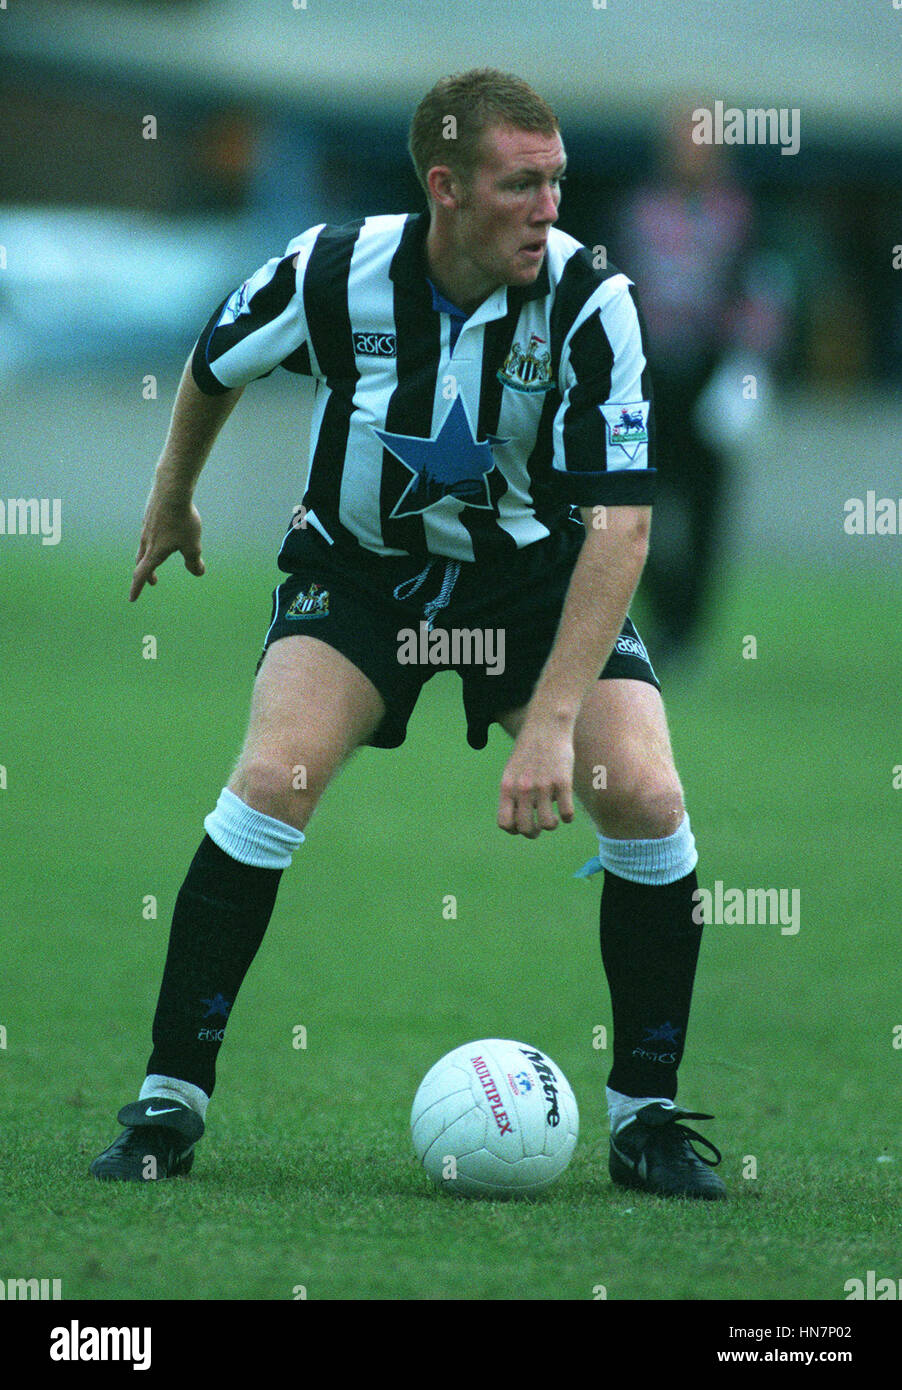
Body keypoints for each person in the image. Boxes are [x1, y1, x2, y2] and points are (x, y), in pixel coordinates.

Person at [90, 70, 726, 1200]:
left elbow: (622, 526)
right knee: (269, 782)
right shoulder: (333, 268)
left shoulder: (592, 298)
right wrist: (169, 490)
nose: (547, 207)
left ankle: (647, 1116)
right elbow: (212, 358)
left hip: (534, 583)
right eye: (518, 184)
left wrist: (555, 723)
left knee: (645, 792)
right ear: (445, 187)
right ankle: (166, 1103)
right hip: (362, 574)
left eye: (556, 182)